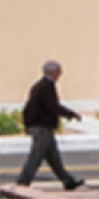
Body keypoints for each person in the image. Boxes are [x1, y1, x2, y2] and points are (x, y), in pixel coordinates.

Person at [13, 59, 86, 189]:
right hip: (42, 127)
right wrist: (70, 114)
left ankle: (68, 181)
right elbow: (52, 106)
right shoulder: (47, 86)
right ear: (54, 72)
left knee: (54, 158)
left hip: (40, 127)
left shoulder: (38, 86)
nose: (60, 75)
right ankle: (23, 182)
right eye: (59, 72)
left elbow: (29, 108)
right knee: (35, 157)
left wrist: (27, 124)